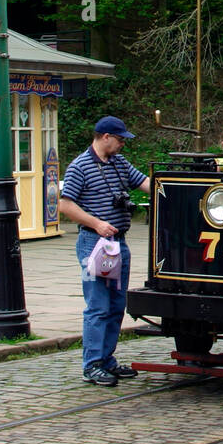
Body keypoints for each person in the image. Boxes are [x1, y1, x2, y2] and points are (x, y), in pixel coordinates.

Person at [58, 115, 151, 386]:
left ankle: (107, 359)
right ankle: (93, 364)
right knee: (98, 306)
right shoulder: (80, 166)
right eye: (120, 139)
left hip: (117, 243)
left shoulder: (119, 163)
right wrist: (97, 223)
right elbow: (65, 205)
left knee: (115, 305)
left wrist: (166, 188)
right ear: (105, 137)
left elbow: (143, 181)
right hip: (95, 244)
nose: (123, 144)